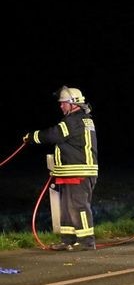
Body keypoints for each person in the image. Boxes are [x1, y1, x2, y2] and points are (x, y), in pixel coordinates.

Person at [23, 86, 98, 251]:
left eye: (63, 103)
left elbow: (53, 135)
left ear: (73, 103)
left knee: (78, 206)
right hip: (72, 171)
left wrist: (32, 137)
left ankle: (86, 242)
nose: (61, 106)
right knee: (67, 209)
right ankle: (68, 240)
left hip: (79, 171)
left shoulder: (73, 121)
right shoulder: (81, 119)